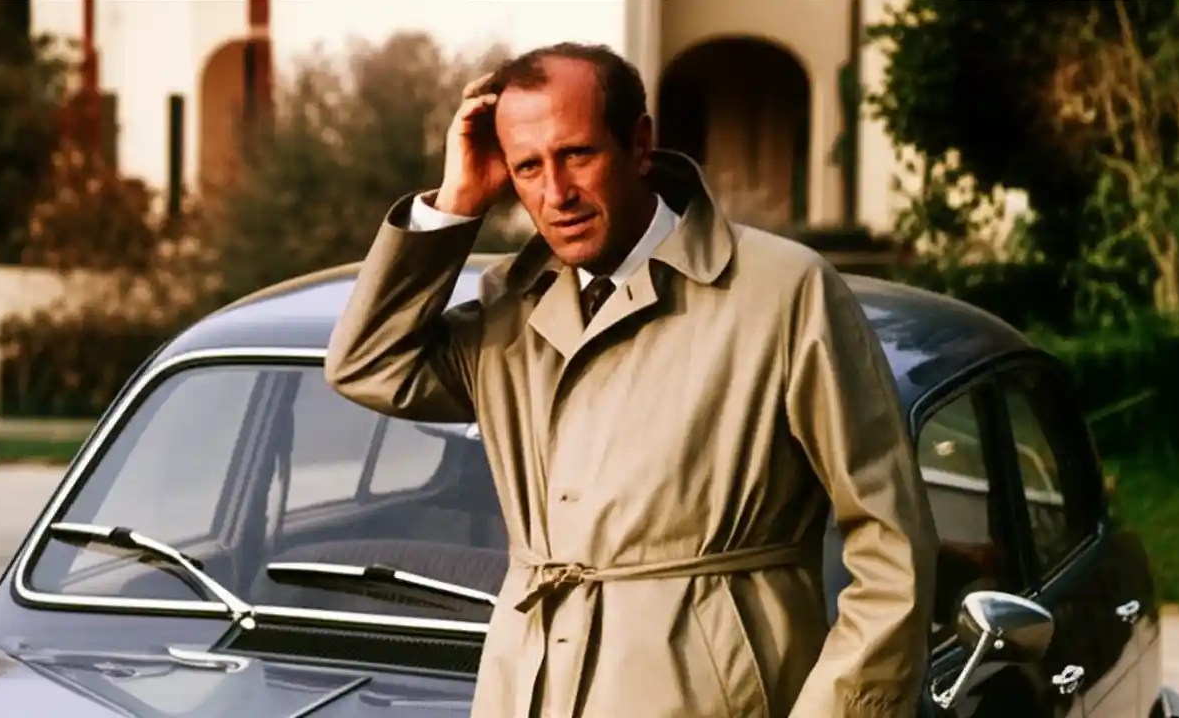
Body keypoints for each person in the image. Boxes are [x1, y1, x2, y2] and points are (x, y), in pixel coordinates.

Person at [326, 42, 937, 718]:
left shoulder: (784, 293)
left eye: (577, 154)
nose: (556, 194)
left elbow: (891, 545)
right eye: (528, 167)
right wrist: (455, 203)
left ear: (639, 143)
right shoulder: (512, 312)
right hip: (528, 693)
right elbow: (367, 364)